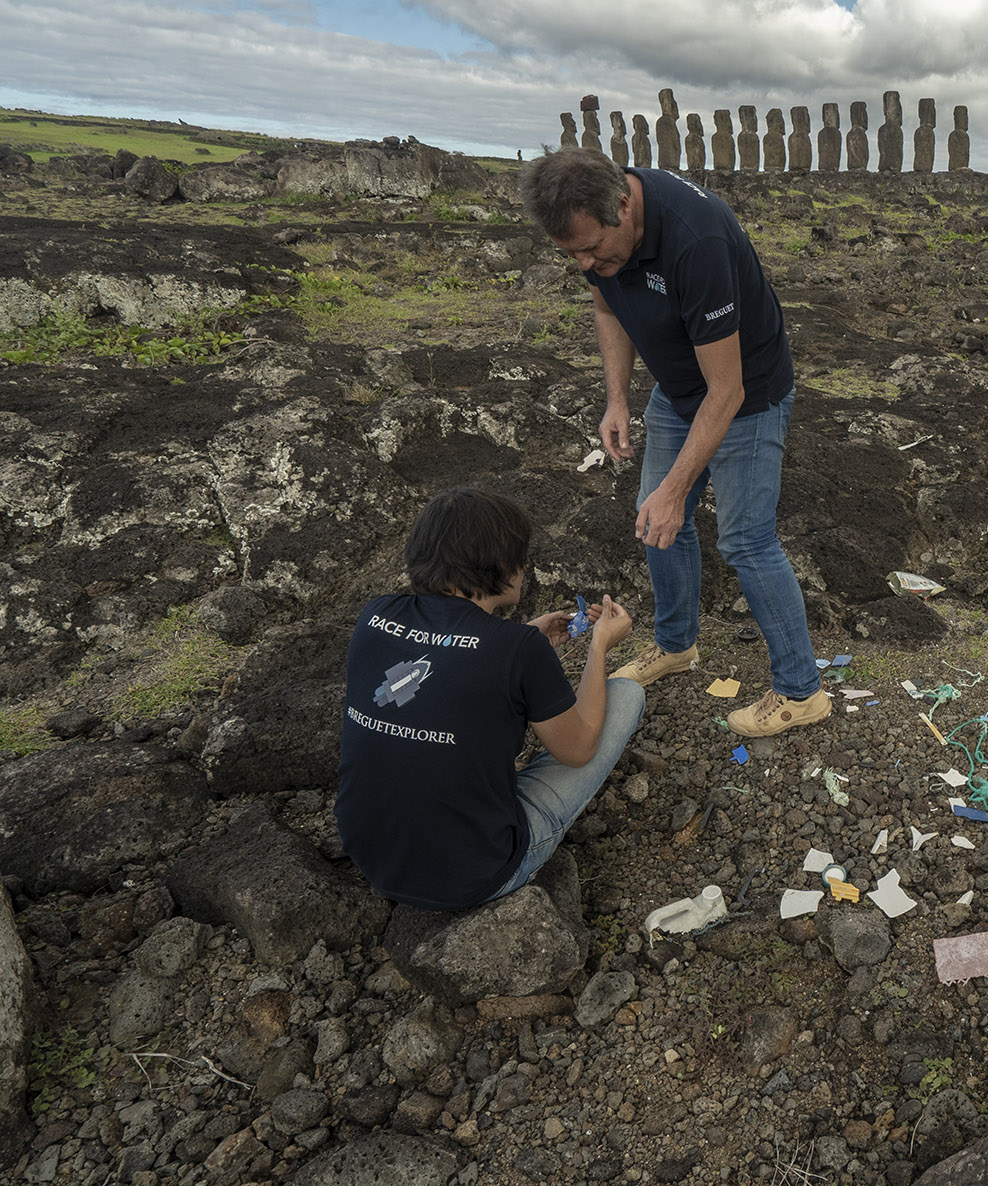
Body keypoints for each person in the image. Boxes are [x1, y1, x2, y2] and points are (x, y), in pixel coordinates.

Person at [520, 148, 829, 738]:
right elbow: (608, 308)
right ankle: (676, 645)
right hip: (678, 389)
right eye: (571, 254)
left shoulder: (696, 239)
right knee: (656, 518)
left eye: (592, 248)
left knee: (745, 540)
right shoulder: (595, 237)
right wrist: (617, 399)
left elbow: (727, 390)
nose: (585, 262)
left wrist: (676, 487)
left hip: (747, 392)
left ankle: (802, 690)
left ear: (622, 204)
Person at [334, 487, 644, 911]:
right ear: (501, 563)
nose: (524, 567)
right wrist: (599, 647)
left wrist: (527, 637)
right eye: (521, 556)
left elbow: (446, 662)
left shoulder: (376, 616)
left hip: (371, 855)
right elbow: (578, 749)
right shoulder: (517, 650)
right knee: (626, 694)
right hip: (474, 874)